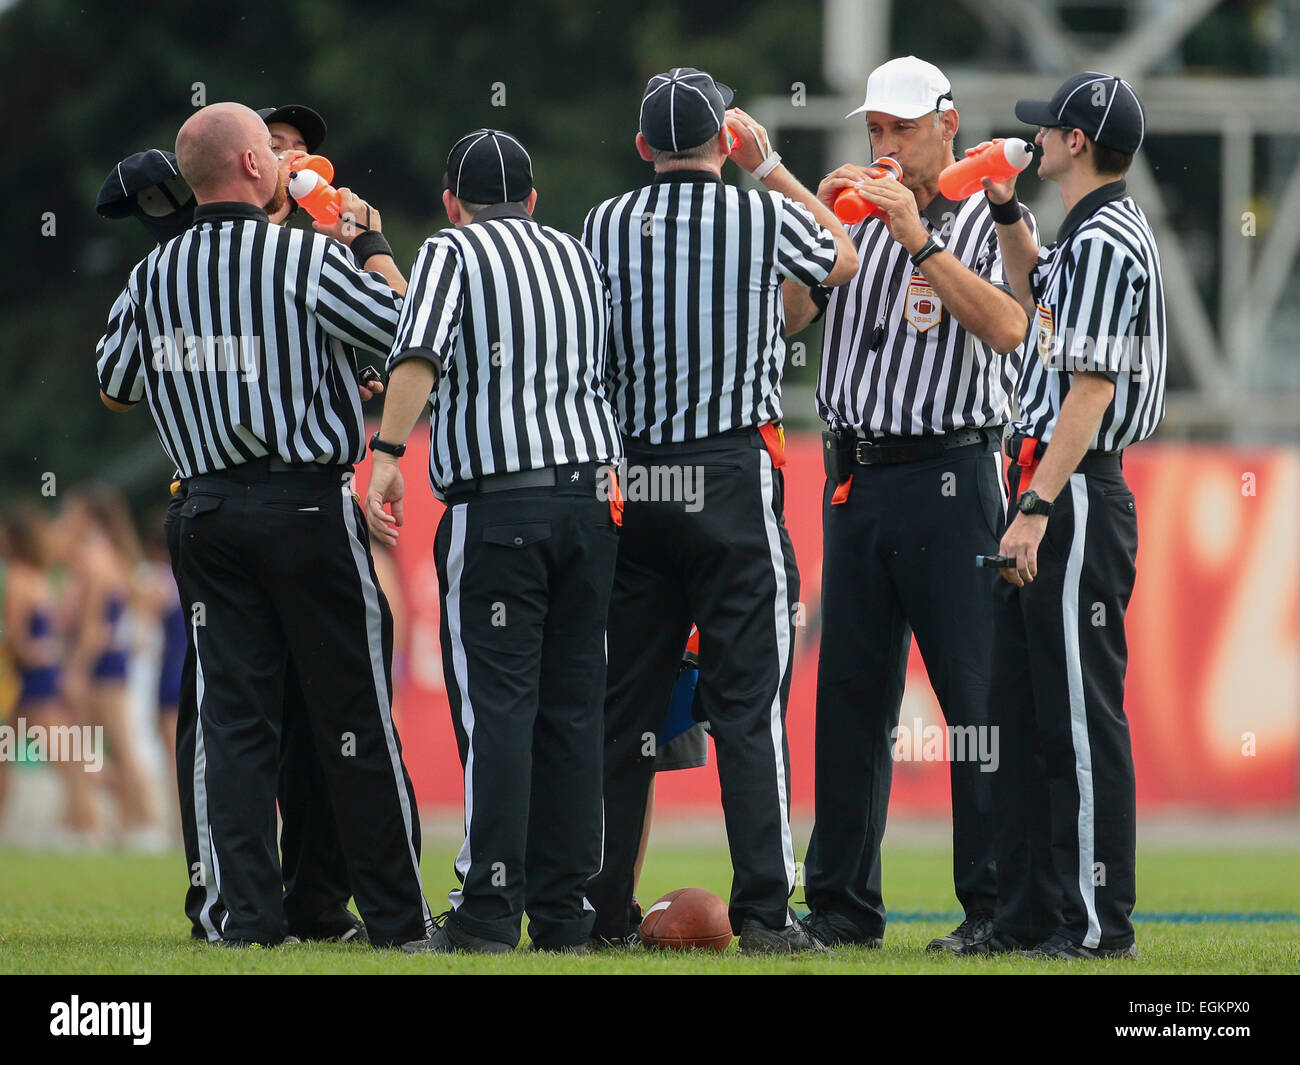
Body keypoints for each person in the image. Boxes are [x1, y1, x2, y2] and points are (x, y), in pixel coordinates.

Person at [94, 101, 429, 948]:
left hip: (203, 510)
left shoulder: (153, 273)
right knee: (355, 713)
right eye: (272, 155)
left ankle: (241, 916)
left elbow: (114, 384)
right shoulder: (300, 256)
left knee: (233, 725)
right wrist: (368, 244)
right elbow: (410, 332)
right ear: (252, 164)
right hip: (305, 505)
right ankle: (397, 918)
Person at [581, 68, 858, 953]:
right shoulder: (758, 212)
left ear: (642, 147)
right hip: (731, 476)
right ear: (723, 141)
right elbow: (843, 259)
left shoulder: (606, 222)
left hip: (639, 478)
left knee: (623, 712)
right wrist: (770, 168)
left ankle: (599, 909)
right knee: (748, 706)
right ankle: (766, 913)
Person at [783, 55, 1036, 953]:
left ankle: (994, 906)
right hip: (855, 476)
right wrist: (819, 224)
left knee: (972, 699)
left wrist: (917, 236)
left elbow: (1010, 327)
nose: (886, 144)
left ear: (947, 125)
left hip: (951, 474)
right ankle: (842, 904)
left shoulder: (985, 214)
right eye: (875, 130)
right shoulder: (858, 210)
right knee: (850, 698)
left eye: (902, 128)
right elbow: (790, 319)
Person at [366, 128, 623, 954]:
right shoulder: (576, 254)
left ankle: (486, 911)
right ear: (534, 200)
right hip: (591, 502)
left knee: (499, 712)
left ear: (452, 203)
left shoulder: (451, 250)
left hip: (501, 508)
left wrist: (387, 452)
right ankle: (564, 913)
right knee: (573, 712)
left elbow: (418, 351)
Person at [983, 72, 1164, 959]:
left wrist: (1035, 504)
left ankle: (1096, 924)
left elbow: (1088, 391)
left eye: (1049, 130)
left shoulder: (1103, 240)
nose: (1039, 138)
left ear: (1078, 142)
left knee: (1079, 725)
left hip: (1074, 489)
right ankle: (1027, 915)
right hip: (1061, 486)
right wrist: (1004, 207)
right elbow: (1036, 298)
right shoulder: (1090, 230)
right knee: (1025, 716)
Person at [59, 485, 165, 849]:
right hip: (106, 660)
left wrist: (75, 669)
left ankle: (138, 824)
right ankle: (117, 822)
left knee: (110, 743)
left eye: (71, 512)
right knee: (100, 745)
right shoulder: (109, 554)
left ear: (87, 516)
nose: (65, 519)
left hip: (99, 662)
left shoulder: (95, 555)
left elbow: (94, 626)